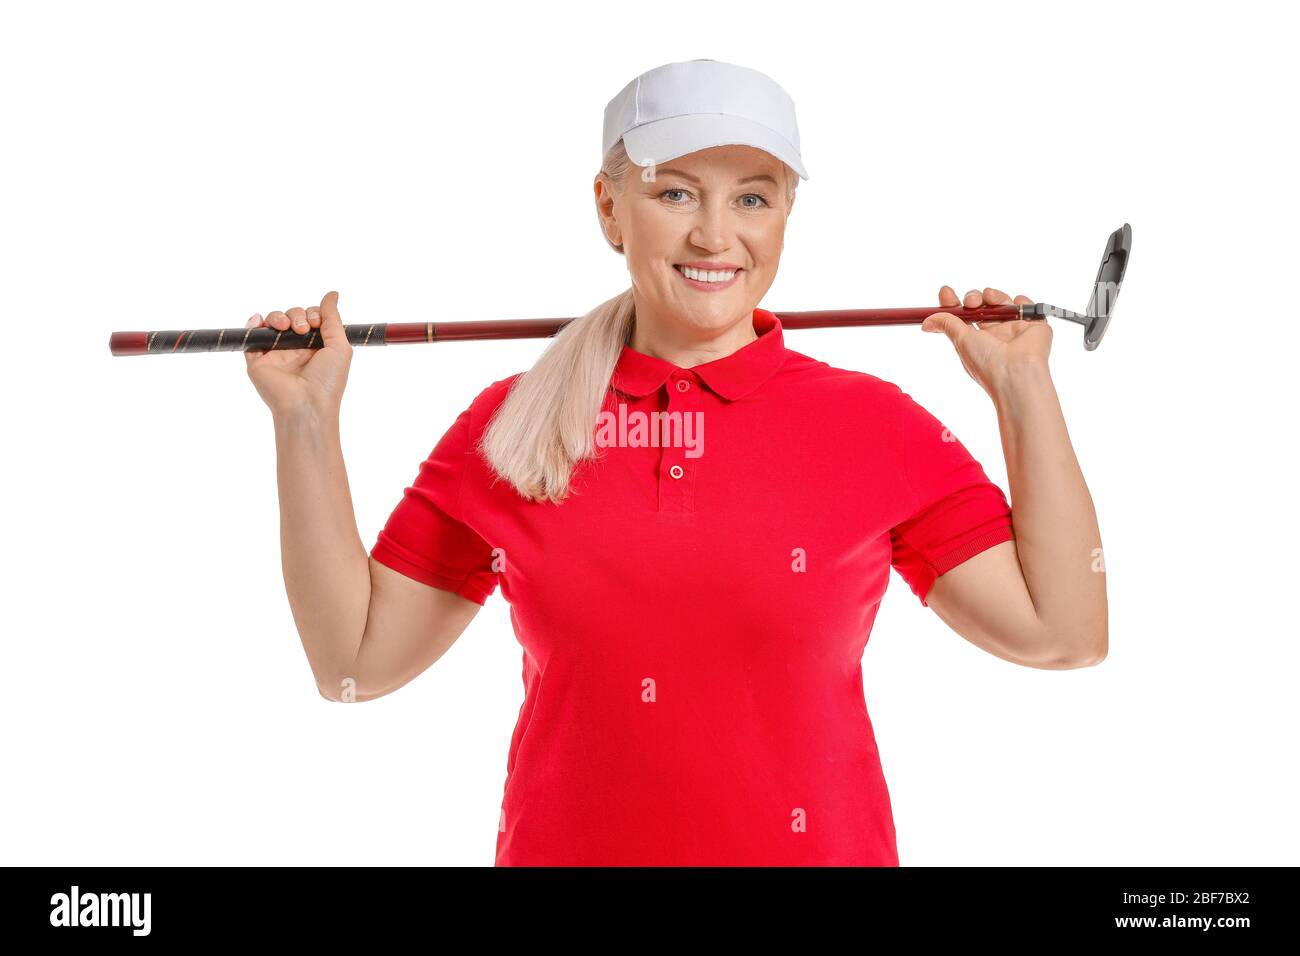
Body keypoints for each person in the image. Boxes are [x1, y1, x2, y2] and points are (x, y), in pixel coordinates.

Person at [244, 59, 1107, 866]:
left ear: (786, 215)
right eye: (676, 193)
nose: (714, 235)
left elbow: (1064, 636)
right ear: (610, 208)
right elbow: (353, 663)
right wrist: (306, 422)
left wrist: (1022, 386)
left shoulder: (873, 425)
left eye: (754, 200)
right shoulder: (515, 424)